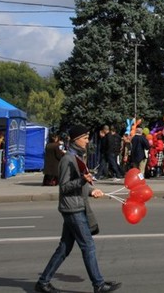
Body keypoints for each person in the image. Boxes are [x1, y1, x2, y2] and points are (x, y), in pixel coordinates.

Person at [35, 125, 121, 293]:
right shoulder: (69, 159)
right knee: (88, 245)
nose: (88, 140)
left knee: (64, 248)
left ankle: (43, 282)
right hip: (72, 208)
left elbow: (79, 184)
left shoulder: (77, 157)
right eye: (85, 137)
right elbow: (65, 186)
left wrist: (91, 190)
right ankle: (99, 284)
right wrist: (83, 181)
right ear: (75, 140)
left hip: (74, 205)